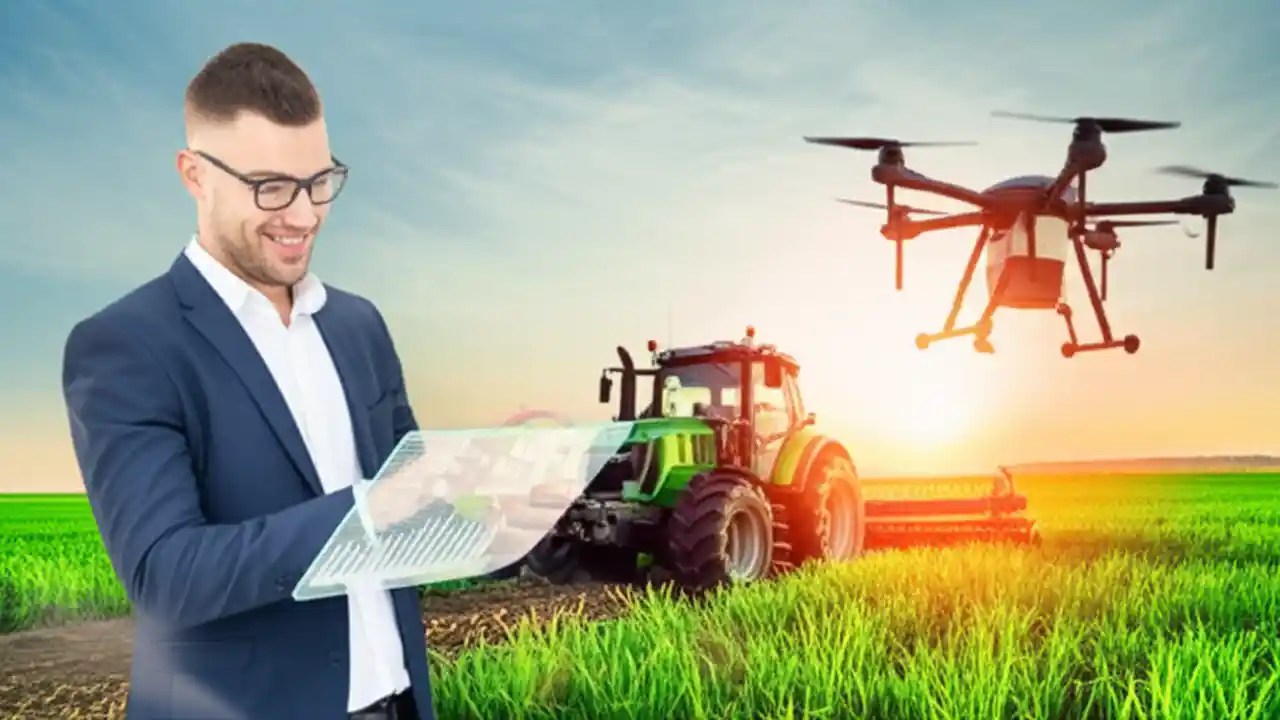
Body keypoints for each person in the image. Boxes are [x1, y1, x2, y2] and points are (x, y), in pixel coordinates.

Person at [61, 42, 435, 719]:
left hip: (400, 704)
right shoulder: (124, 346)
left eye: (320, 181)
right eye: (271, 187)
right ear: (194, 175)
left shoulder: (359, 325)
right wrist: (362, 513)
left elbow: (414, 499)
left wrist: (501, 491)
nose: (304, 214)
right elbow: (166, 575)